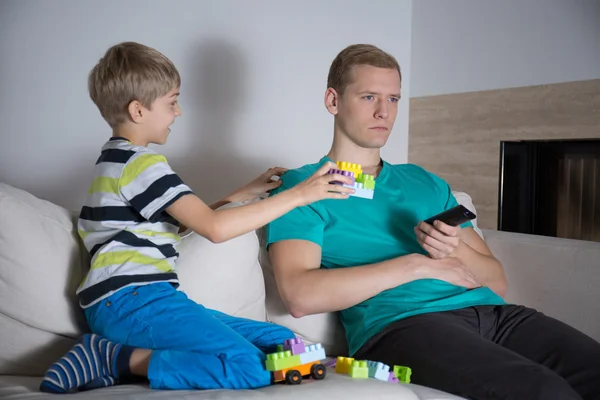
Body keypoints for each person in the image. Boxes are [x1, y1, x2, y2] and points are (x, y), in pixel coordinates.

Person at [265, 44, 600, 400]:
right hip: (403, 327)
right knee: (542, 390)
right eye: (368, 97)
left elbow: (496, 281)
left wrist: (455, 249)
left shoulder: (424, 181)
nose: (384, 112)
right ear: (333, 101)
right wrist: (415, 266)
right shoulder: (303, 187)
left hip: (497, 314)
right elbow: (300, 296)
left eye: (393, 99)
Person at [39, 41, 355, 394]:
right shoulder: (141, 163)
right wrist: (302, 194)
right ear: (138, 110)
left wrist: (240, 194)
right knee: (250, 367)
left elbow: (189, 221)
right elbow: (215, 231)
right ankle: (113, 359)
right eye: (172, 102)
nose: (179, 112)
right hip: (131, 302)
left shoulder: (118, 162)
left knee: (290, 346)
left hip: (146, 299)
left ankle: (127, 358)